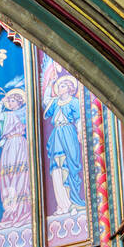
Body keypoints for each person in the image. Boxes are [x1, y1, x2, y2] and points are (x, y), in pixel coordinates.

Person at [43, 75, 85, 214]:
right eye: (59, 86)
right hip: (57, 135)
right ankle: (63, 204)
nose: (59, 88)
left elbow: (79, 118)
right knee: (57, 167)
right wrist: (49, 85)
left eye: (62, 86)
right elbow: (45, 103)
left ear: (70, 88)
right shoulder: (55, 102)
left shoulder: (73, 102)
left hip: (69, 132)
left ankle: (74, 202)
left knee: (71, 165)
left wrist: (79, 132)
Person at [0, 85, 31, 229]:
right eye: (10, 101)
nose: (11, 103)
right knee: (8, 179)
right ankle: (11, 213)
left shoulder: (22, 113)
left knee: (20, 176)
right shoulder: (7, 115)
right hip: (8, 146)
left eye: (13, 101)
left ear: (20, 102)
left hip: (19, 144)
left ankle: (23, 212)